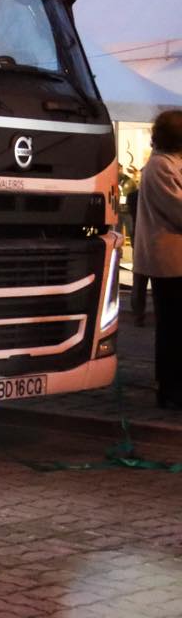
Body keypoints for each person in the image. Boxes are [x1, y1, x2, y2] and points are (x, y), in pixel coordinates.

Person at [132, 110, 182, 409]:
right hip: (170, 262)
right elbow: (178, 210)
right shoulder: (161, 167)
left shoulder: (172, 163)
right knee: (173, 329)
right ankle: (171, 389)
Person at [121, 165, 150, 323]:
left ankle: (138, 314)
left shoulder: (133, 196)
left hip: (139, 240)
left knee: (139, 281)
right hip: (151, 241)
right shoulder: (156, 195)